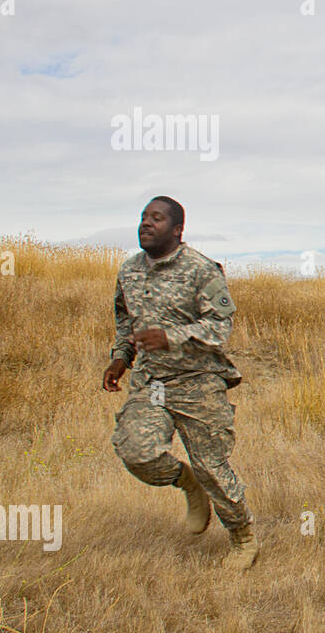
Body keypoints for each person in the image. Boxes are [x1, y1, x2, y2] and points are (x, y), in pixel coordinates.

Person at [103, 196, 259, 571]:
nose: (146, 223)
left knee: (212, 466)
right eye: (143, 217)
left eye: (156, 218)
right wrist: (122, 356)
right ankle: (186, 483)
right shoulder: (129, 271)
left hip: (199, 382)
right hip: (152, 381)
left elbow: (220, 327)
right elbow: (125, 320)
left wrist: (171, 336)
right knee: (136, 450)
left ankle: (243, 538)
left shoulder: (201, 270)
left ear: (177, 229)